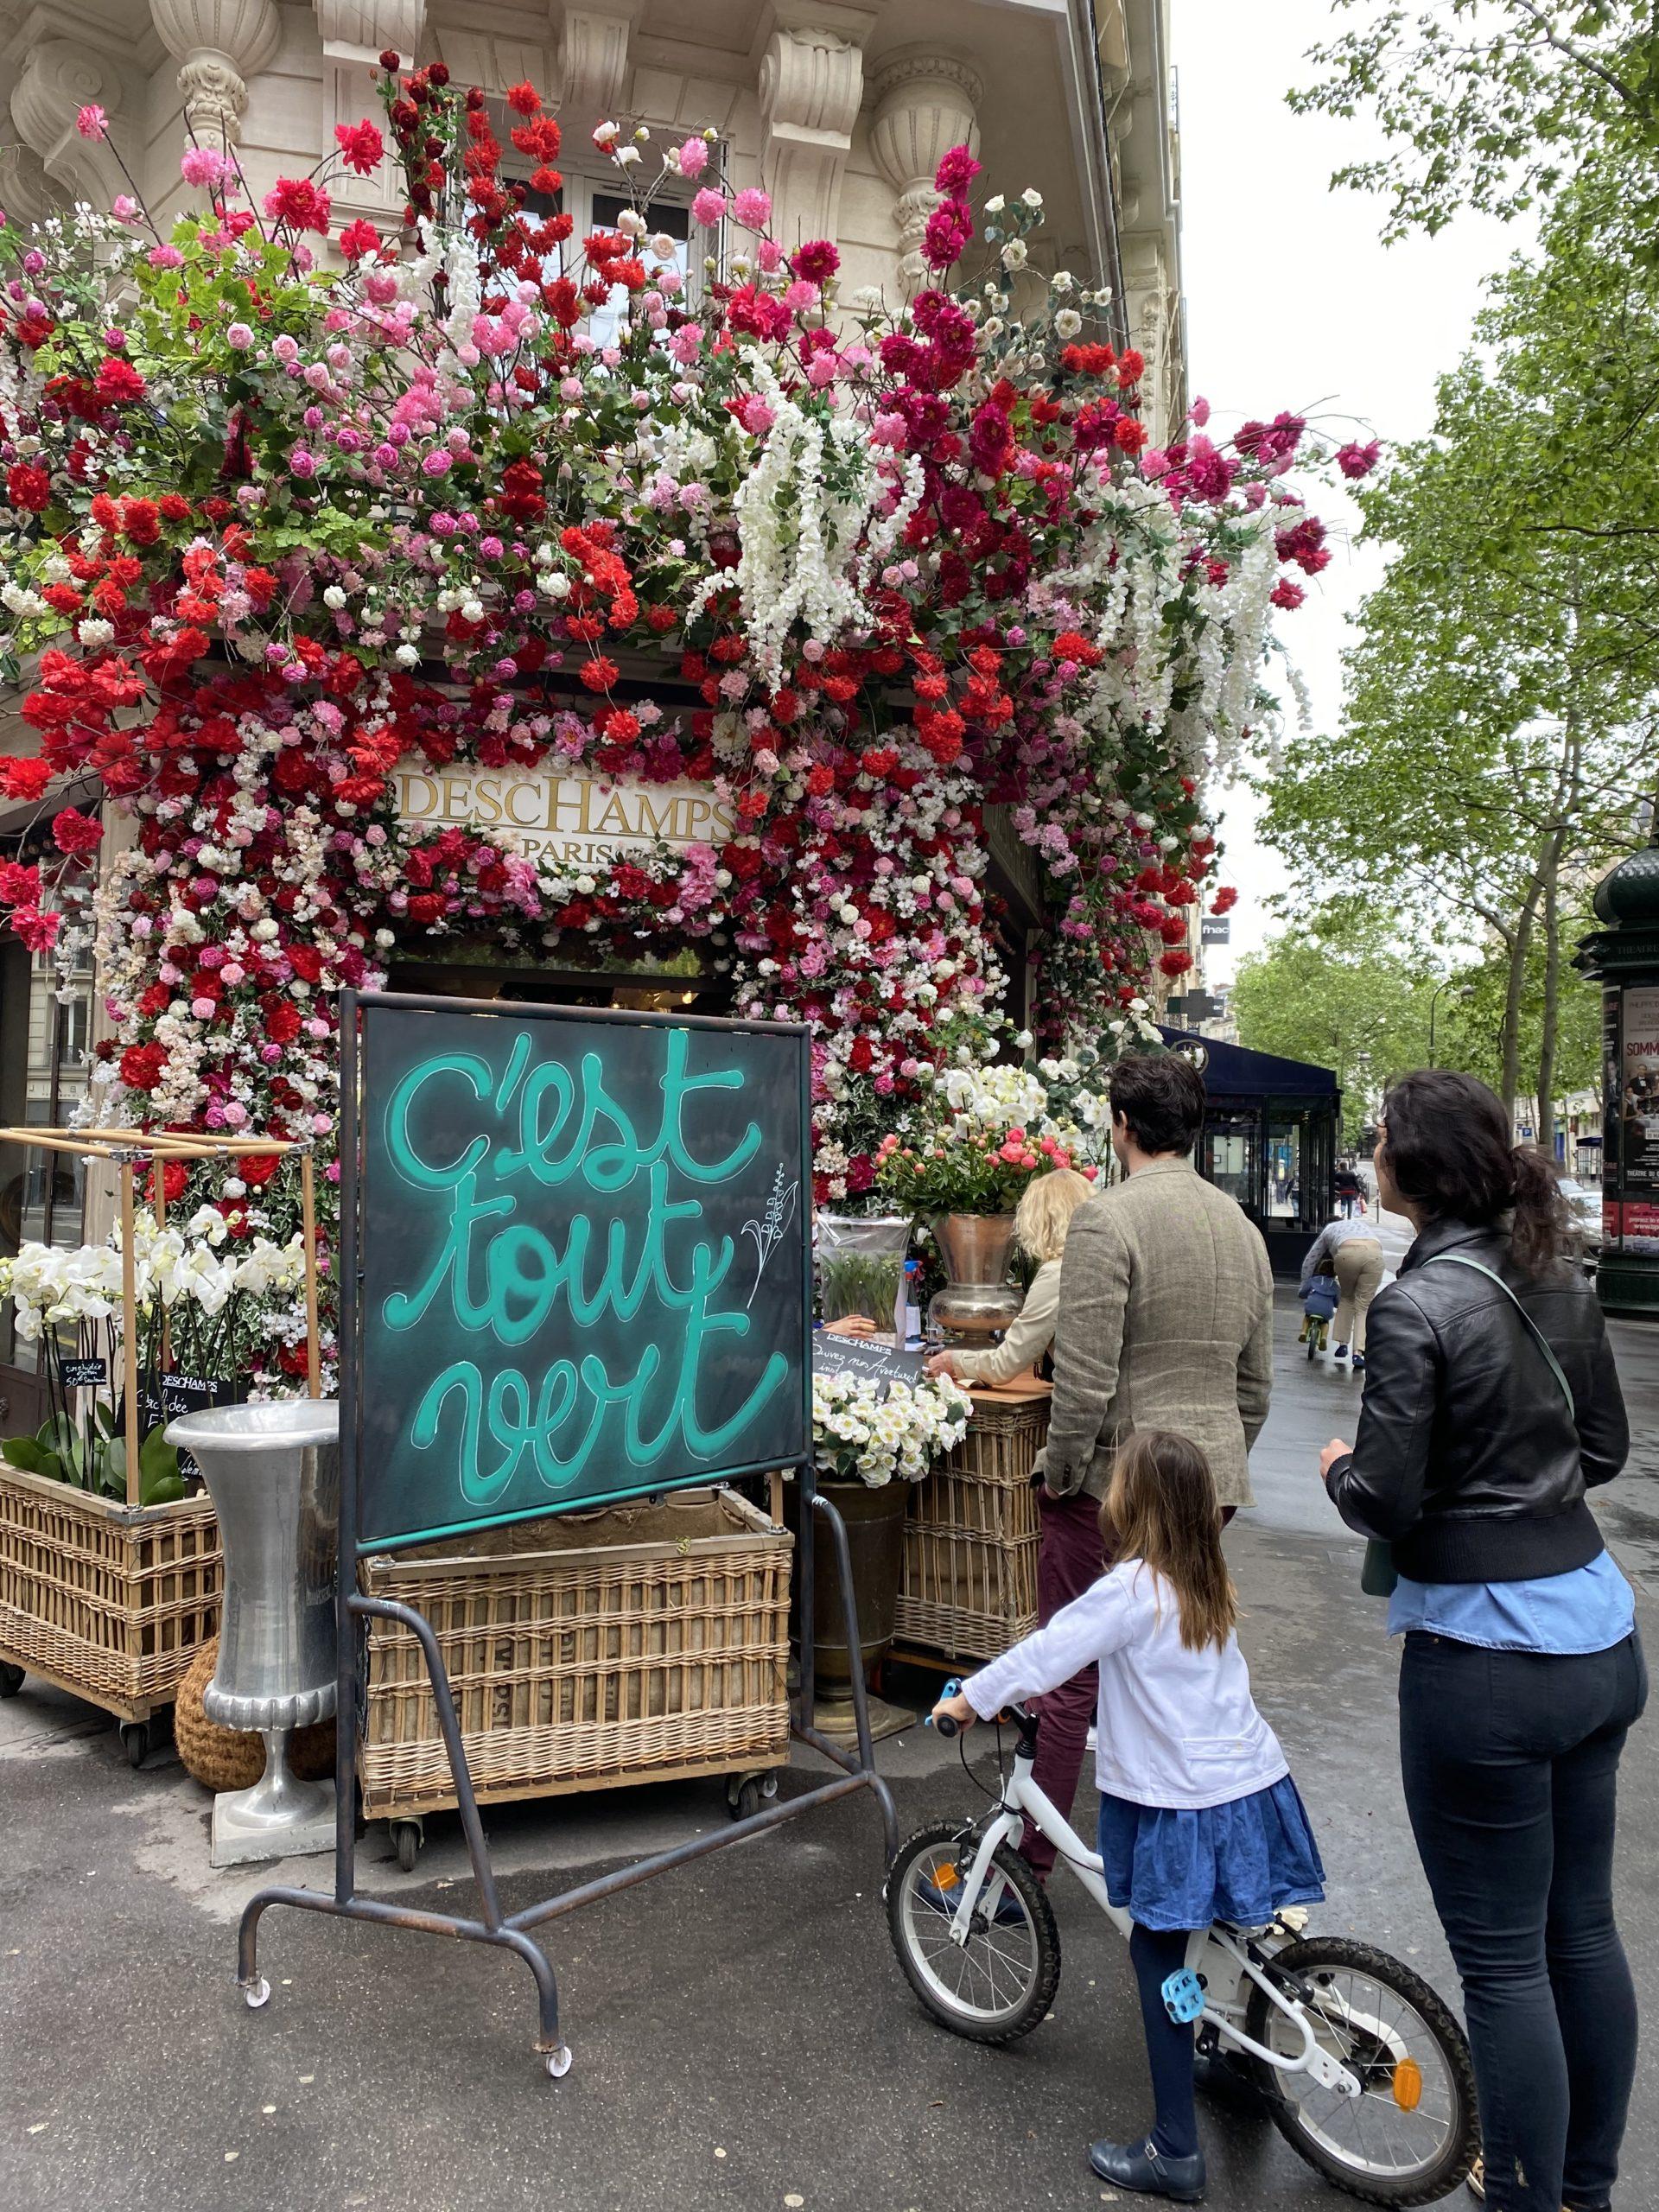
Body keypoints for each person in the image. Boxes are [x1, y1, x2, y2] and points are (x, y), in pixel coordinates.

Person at [1320, 1070, 1642, 2212]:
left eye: (1379, 1146)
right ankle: (1583, 2193)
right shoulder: (1559, 1274)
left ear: (1413, 1168)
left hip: (1485, 1665)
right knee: (1582, 1934)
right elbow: (1599, 1452)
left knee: (1504, 1964)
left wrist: (1341, 1477)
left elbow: (1390, 1501)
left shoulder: (1417, 1306)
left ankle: (1519, 2195)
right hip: (1598, 1636)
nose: (1371, 1161)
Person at [933, 1430, 1325, 2204]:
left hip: (1179, 1802)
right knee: (1218, 1934)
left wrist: (971, 1698)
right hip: (1246, 1787)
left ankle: (1176, 2148)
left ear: (1132, 1503)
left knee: (1158, 1956)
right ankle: (1242, 2064)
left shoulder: (1131, 1588)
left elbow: (1048, 1653)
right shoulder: (1205, 1579)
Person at [1019, 1052, 1274, 1881]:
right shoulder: (1242, 1229)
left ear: (1121, 1125)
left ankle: (1032, 1863)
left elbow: (1084, 1382)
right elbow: (1255, 1390)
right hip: (1208, 1488)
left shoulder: (1107, 1219)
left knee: (1068, 1676)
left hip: (1114, 1488)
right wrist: (1214, 1473)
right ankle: (1194, 1859)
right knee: (1180, 1671)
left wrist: (1058, 1475)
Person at [924, 1166, 1094, 1389]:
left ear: (1040, 1221)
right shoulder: (1102, 1263)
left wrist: (952, 1361)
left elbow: (1005, 1364)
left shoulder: (1057, 1274)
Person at [1297, 1212, 1385, 1370]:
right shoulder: (1360, 1226)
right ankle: (1358, 1352)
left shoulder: (1329, 1229)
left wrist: (1305, 1283)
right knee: (1363, 1306)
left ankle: (1342, 1344)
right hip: (1375, 1254)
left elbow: (1312, 1258)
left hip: (1347, 1253)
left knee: (1347, 1298)